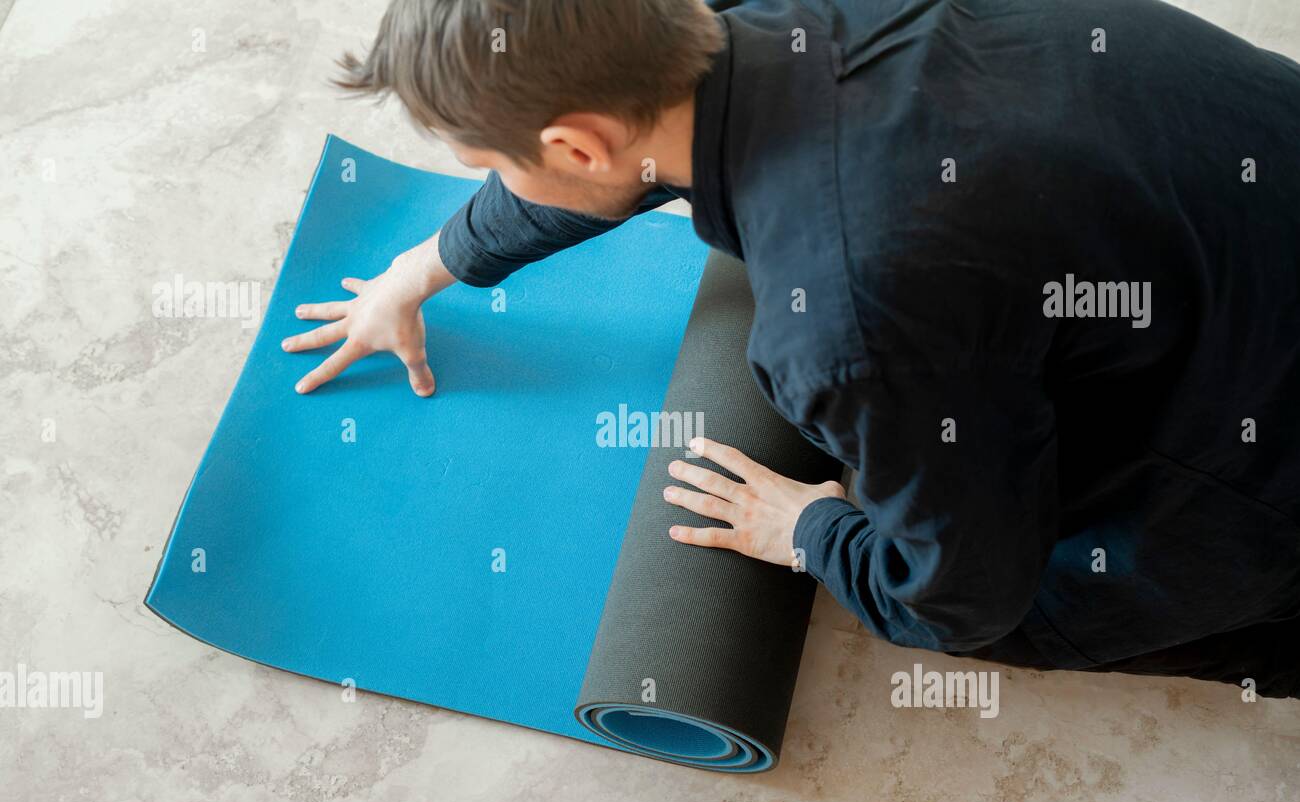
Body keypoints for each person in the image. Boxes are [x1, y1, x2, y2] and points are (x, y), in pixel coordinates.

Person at [285, 0, 1300, 697]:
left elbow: (960, 595)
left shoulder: (847, 320)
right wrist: (428, 266)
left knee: (1021, 600)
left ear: (578, 147)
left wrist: (813, 530)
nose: (492, 179)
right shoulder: (734, 25)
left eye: (491, 162)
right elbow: (605, 149)